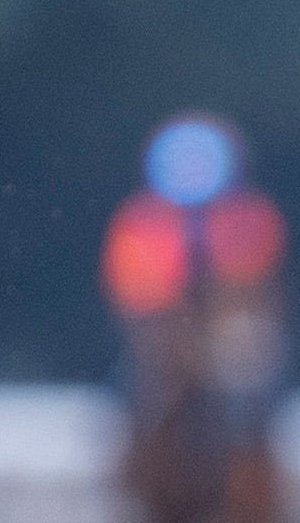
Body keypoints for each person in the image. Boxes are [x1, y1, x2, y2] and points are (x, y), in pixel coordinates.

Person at [104, 113, 289, 439]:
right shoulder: (140, 221)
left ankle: (260, 469)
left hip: (228, 330)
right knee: (135, 392)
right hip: (162, 333)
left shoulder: (250, 216)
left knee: (254, 391)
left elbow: (256, 285)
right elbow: (132, 290)